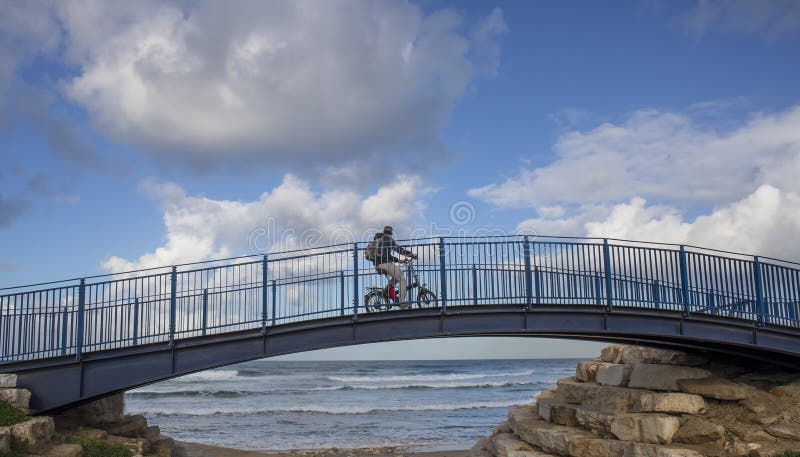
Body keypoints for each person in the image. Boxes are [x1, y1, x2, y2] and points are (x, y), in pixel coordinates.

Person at [374, 226, 417, 308]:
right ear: (391, 233)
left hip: (379, 264)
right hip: (385, 264)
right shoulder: (388, 240)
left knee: (400, 273)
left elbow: (386, 255)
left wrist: (398, 260)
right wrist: (411, 254)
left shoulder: (379, 240)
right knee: (402, 279)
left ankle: (389, 287)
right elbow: (399, 250)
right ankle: (402, 303)